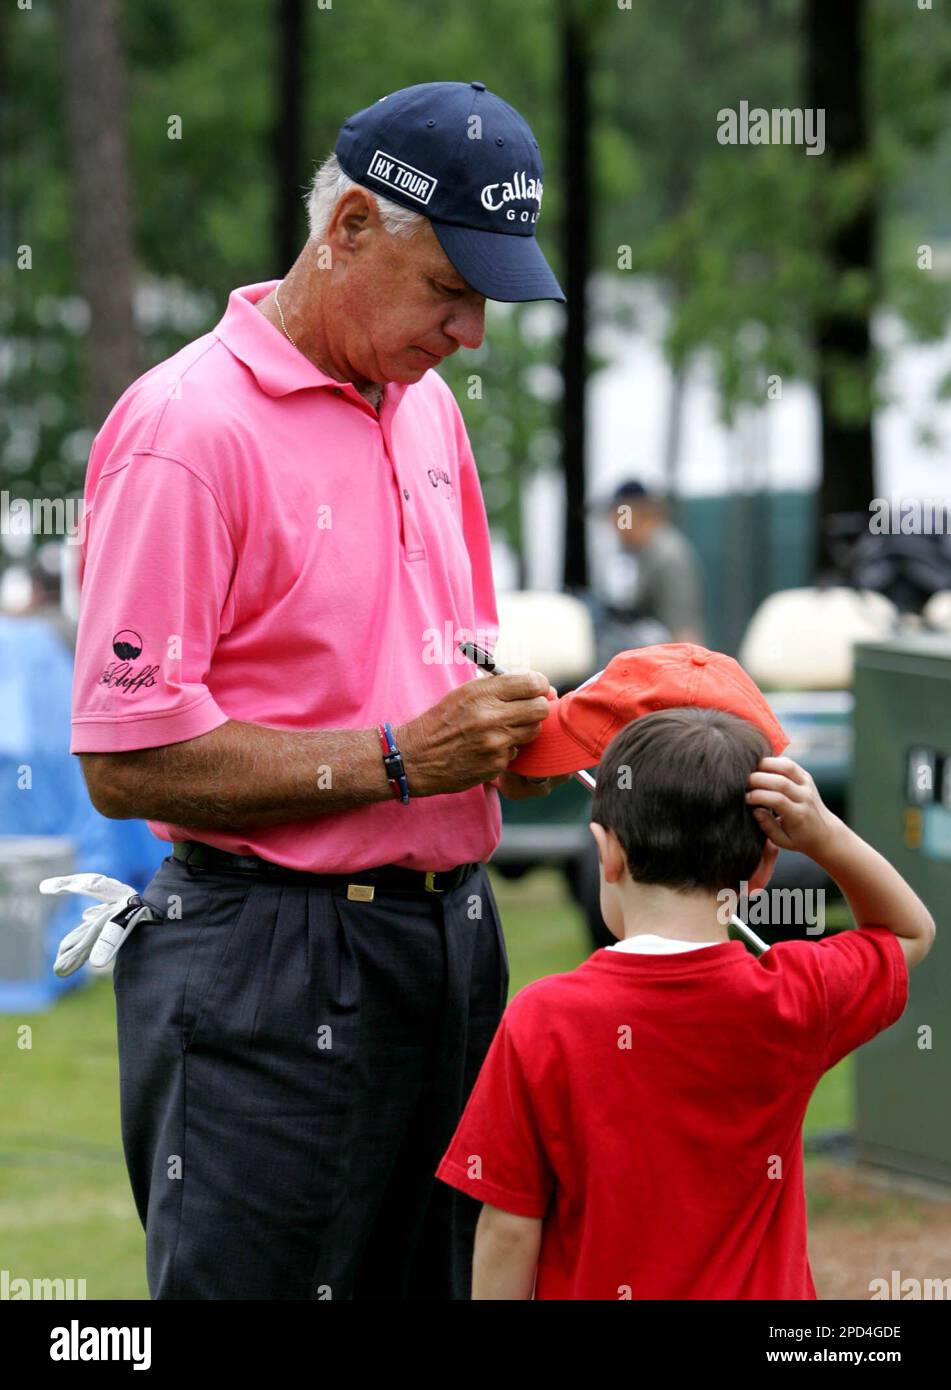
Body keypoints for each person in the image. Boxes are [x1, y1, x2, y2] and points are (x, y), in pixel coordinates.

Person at [69, 81, 570, 1300]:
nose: (471, 333)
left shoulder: (429, 412)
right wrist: (399, 758)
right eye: (451, 289)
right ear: (350, 226)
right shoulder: (186, 431)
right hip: (270, 954)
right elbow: (124, 758)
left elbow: (447, 669)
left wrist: (533, 727)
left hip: (450, 941)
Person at [437, 654, 934, 1299]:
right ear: (762, 871)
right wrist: (826, 836)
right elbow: (908, 931)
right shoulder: (795, 997)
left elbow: (508, 1231)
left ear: (606, 853)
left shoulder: (541, 1018)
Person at [595, 479, 705, 644]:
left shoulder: (668, 556)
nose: (613, 525)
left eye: (618, 516)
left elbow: (683, 631)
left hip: (664, 656)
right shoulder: (633, 551)